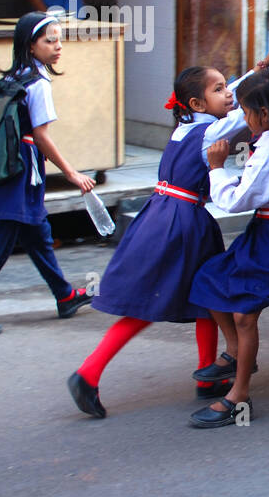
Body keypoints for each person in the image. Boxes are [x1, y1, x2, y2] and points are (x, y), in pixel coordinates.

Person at [66, 66, 251, 419]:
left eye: (227, 86)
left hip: (159, 212)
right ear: (197, 102)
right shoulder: (212, 130)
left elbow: (235, 95)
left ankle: (205, 375)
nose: (228, 94)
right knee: (153, 303)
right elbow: (248, 106)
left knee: (204, 293)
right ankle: (88, 372)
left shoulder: (185, 126)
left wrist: (259, 68)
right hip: (184, 221)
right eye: (219, 89)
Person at [0, 12, 96, 339]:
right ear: (31, 45)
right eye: (50, 40)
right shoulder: (38, 82)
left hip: (8, 171)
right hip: (21, 173)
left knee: (37, 233)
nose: (58, 46)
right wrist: (72, 173)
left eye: (59, 39)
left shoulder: (16, 75)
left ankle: (65, 296)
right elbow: (41, 136)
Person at [188, 69, 269, 428]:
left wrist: (216, 169)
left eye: (246, 112)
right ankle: (236, 352)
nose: (243, 119)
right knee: (209, 278)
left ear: (263, 115)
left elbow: (237, 201)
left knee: (244, 314)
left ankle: (239, 394)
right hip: (265, 230)